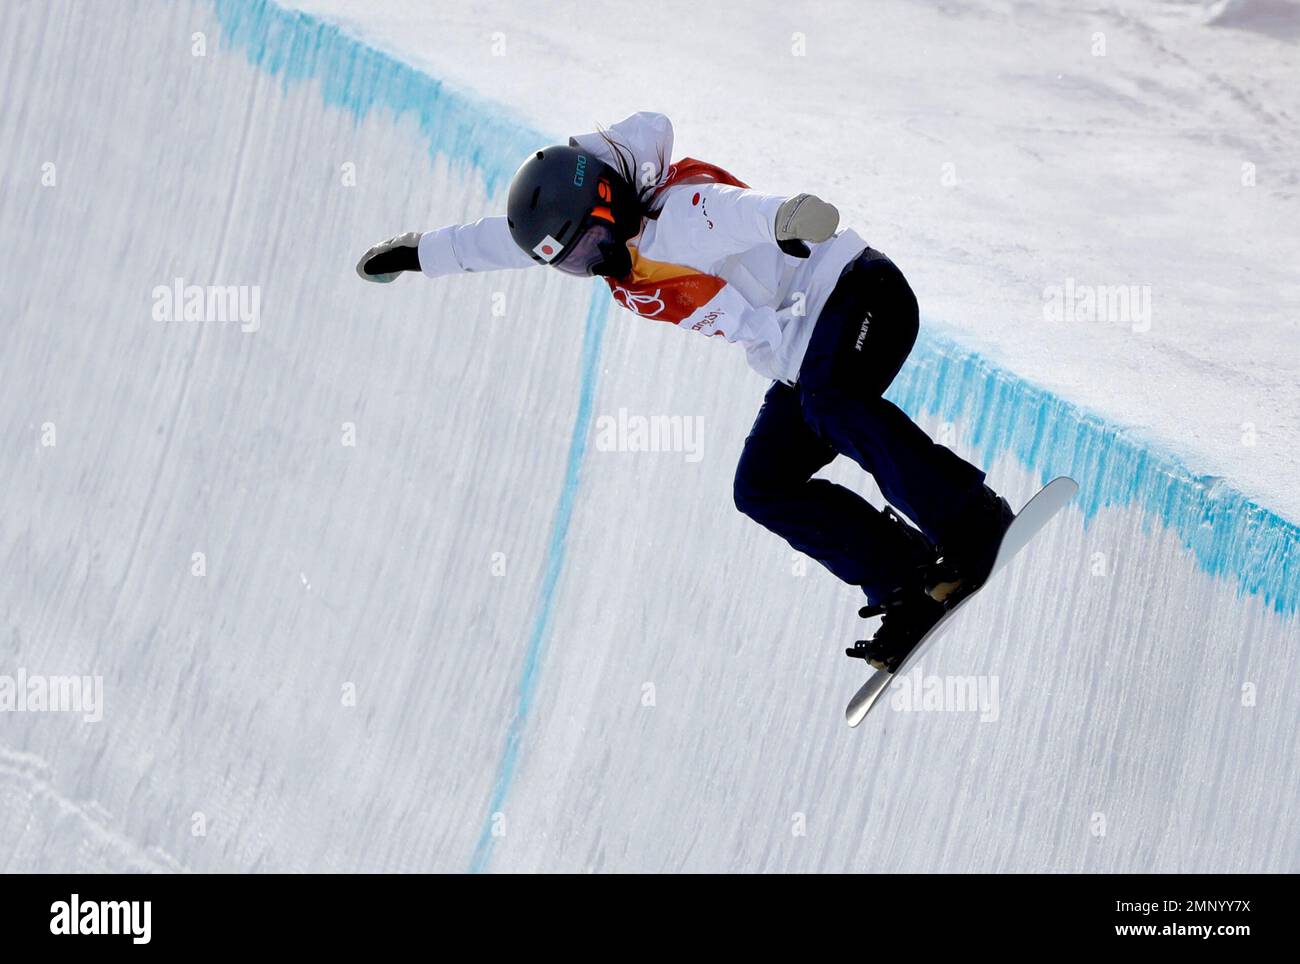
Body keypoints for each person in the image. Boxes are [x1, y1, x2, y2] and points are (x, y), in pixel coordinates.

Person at [356, 111, 1012, 670]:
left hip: (859, 296)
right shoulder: (592, 230)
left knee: (832, 402)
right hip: (803, 354)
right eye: (575, 265)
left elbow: (738, 213)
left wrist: (789, 217)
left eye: (590, 249)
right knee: (761, 487)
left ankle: (971, 520)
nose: (594, 267)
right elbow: (498, 241)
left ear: (609, 204)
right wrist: (418, 254)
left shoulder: (680, 214)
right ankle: (910, 580)